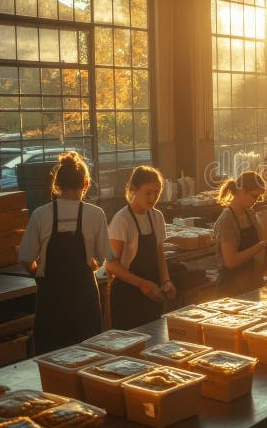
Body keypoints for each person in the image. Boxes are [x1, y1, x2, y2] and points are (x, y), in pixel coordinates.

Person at [20, 152, 110, 354]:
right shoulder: (96, 214)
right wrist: (91, 265)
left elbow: (26, 259)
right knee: (87, 359)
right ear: (86, 184)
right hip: (83, 299)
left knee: (51, 360)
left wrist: (40, 274)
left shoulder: (40, 215)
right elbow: (102, 258)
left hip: (50, 300)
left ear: (56, 185)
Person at [106, 166, 176, 330]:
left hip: (152, 293)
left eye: (157, 192)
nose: (153, 197)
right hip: (127, 296)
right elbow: (111, 265)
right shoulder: (122, 220)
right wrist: (142, 284)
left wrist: (166, 281)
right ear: (133, 190)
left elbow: (159, 255)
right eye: (148, 192)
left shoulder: (156, 216)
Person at [215, 171, 267, 296]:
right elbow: (230, 261)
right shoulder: (227, 220)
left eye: (260, 197)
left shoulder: (249, 214)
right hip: (231, 288)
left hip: (251, 283)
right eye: (255, 196)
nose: (257, 201)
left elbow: (261, 254)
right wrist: (260, 246)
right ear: (242, 191)